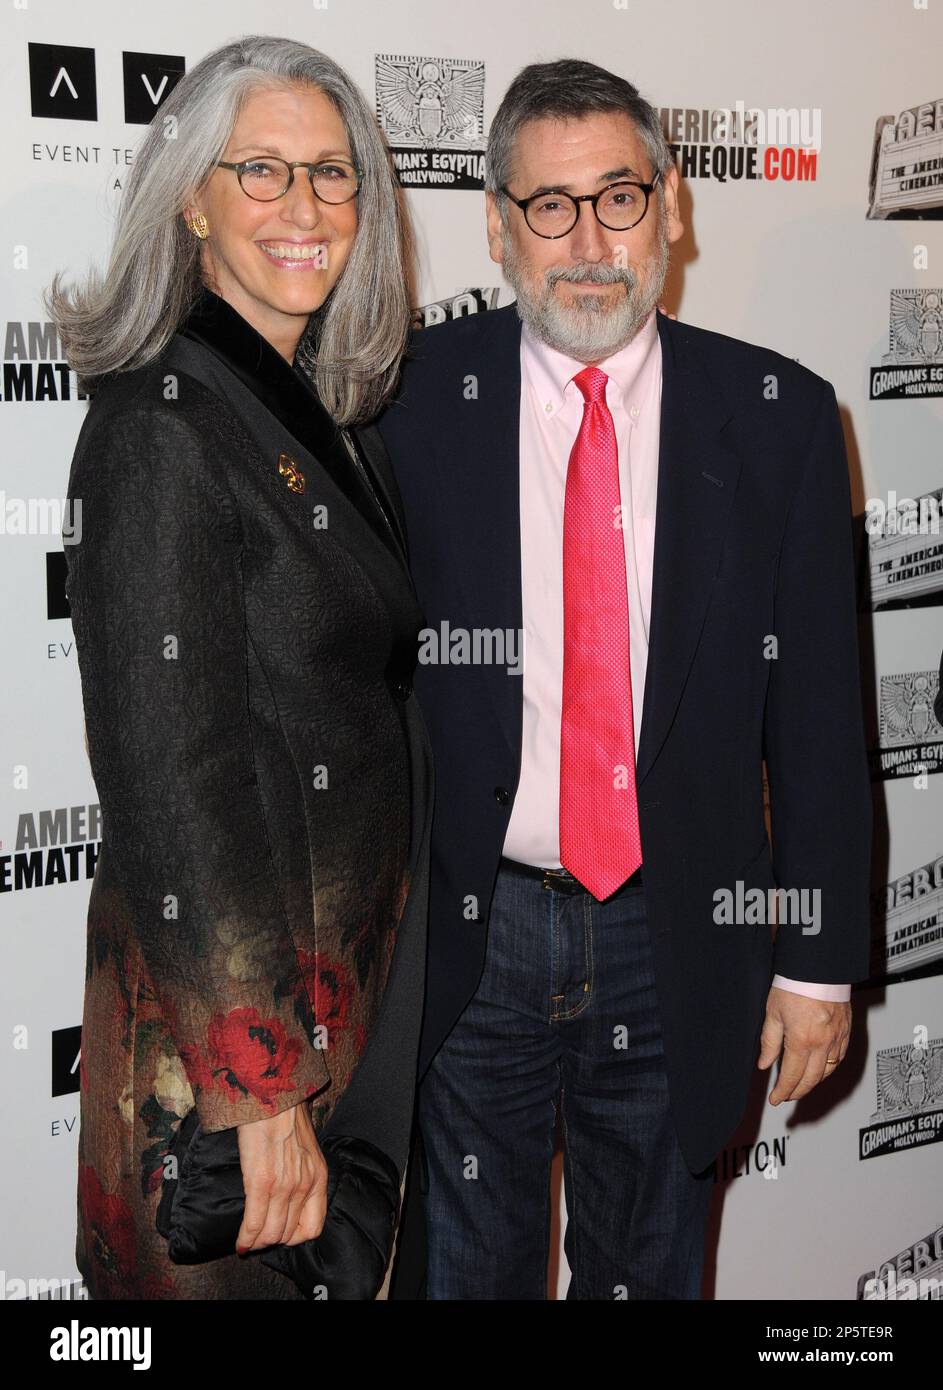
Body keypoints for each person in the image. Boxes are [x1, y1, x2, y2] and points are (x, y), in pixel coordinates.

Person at [378, 58, 872, 1300]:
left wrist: (815, 963)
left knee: (651, 1278)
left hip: (679, 939)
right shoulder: (408, 404)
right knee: (464, 1277)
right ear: (495, 223)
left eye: (619, 197)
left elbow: (819, 714)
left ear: (673, 205)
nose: (588, 241)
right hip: (468, 943)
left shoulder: (778, 417)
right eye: (549, 205)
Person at [47, 34, 432, 1301]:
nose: (304, 208)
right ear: (190, 198)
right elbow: (173, 774)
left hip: (336, 1003)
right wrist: (257, 1090)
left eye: (332, 175)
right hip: (229, 1054)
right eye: (259, 170)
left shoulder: (305, 405)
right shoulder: (160, 422)